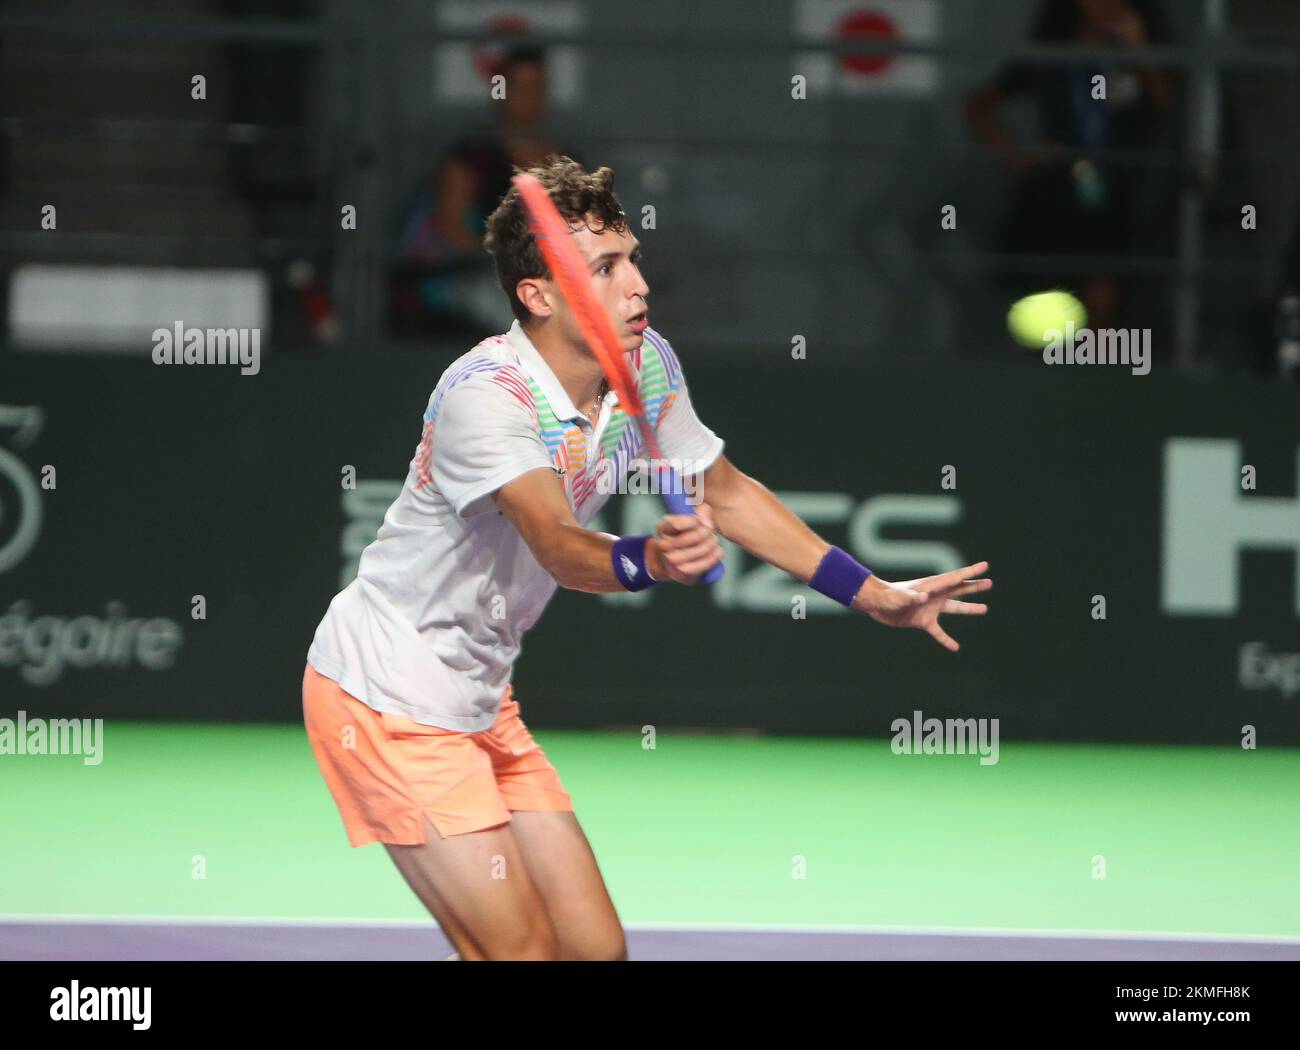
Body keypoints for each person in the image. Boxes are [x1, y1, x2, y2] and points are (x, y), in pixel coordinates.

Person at [302, 156, 993, 961]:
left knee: (595, 952)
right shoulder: (486, 397)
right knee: (520, 955)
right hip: (387, 694)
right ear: (539, 294)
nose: (638, 285)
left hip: (481, 696)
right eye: (605, 267)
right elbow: (560, 545)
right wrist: (649, 561)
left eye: (632, 257)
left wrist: (869, 591)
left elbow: (726, 493)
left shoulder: (647, 363)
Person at [966, 0, 1175, 330]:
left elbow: (1167, 105)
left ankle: (1097, 355)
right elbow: (980, 106)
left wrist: (1139, 49)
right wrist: (1018, 159)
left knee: (1105, 288)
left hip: (1116, 184)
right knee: (1058, 288)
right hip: (1058, 186)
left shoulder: (1130, 56)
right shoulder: (1051, 52)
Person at [390, 45, 570, 335]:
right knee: (518, 307)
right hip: (477, 278)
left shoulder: (565, 162)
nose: (528, 97)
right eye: (519, 87)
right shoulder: (470, 158)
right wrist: (507, 265)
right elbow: (451, 228)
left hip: (550, 280)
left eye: (536, 87)